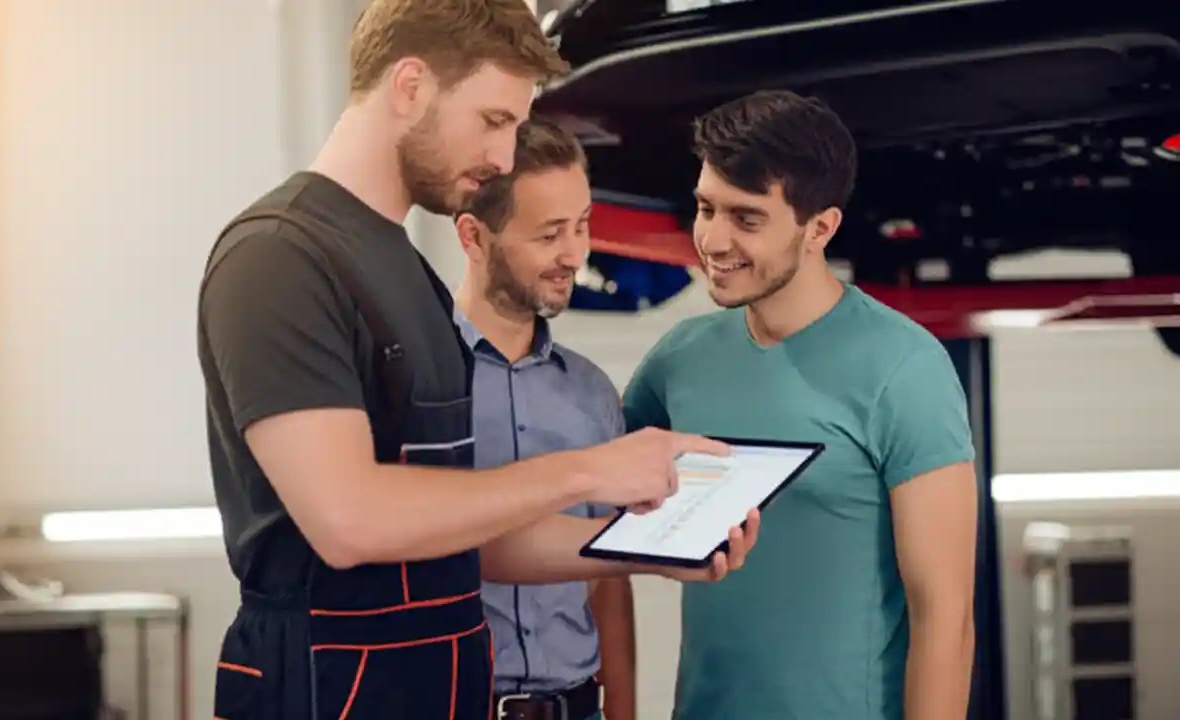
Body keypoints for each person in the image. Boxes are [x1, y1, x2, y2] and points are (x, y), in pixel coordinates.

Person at [195, 2, 760, 718]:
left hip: (437, 682)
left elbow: (464, 541)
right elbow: (348, 520)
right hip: (323, 687)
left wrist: (650, 549)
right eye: (494, 121)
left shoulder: (407, 275)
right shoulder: (279, 258)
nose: (501, 158)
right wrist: (591, 469)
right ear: (410, 86)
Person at [621, 89, 979, 720]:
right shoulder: (678, 358)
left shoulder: (904, 369)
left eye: (747, 218)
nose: (713, 238)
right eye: (706, 207)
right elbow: (594, 508)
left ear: (821, 227)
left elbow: (945, 619)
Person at [451, 118, 635, 720]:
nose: (575, 255)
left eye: (582, 227)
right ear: (474, 238)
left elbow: (609, 577)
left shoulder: (592, 393)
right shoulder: (414, 386)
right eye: (550, 234)